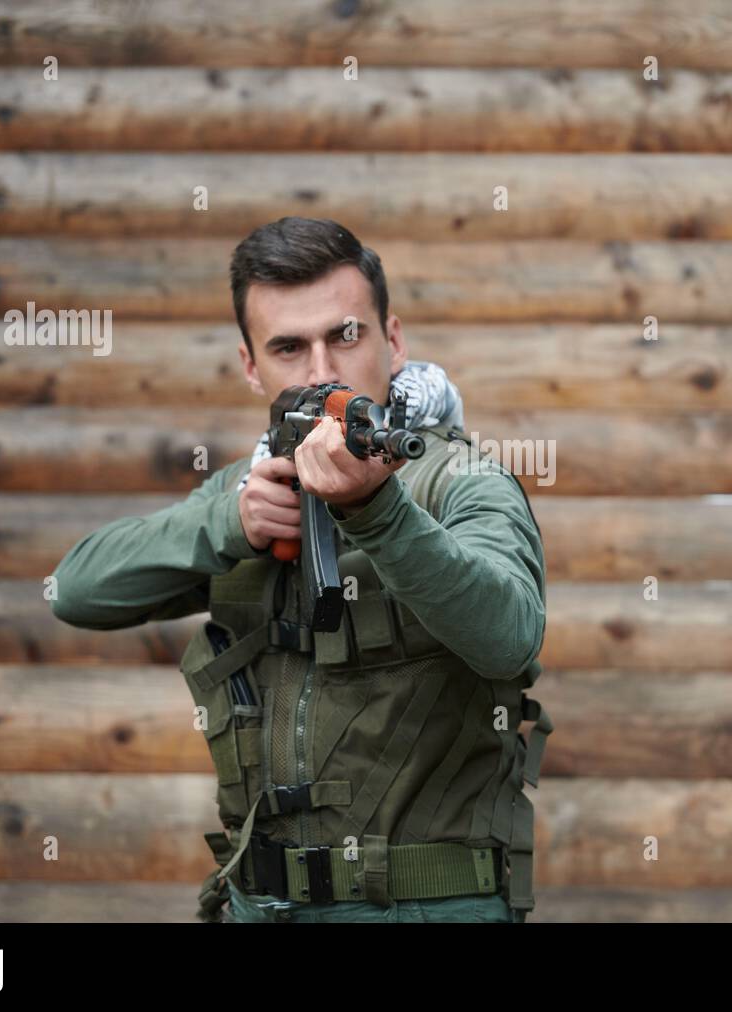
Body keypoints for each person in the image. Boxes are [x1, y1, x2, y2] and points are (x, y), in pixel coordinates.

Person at [50, 217, 552, 923]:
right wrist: (229, 522)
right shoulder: (253, 486)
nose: (320, 371)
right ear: (252, 365)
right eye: (289, 347)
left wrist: (379, 510)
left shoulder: (459, 480)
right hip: (259, 905)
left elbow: (510, 635)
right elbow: (75, 591)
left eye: (345, 336)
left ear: (394, 339)